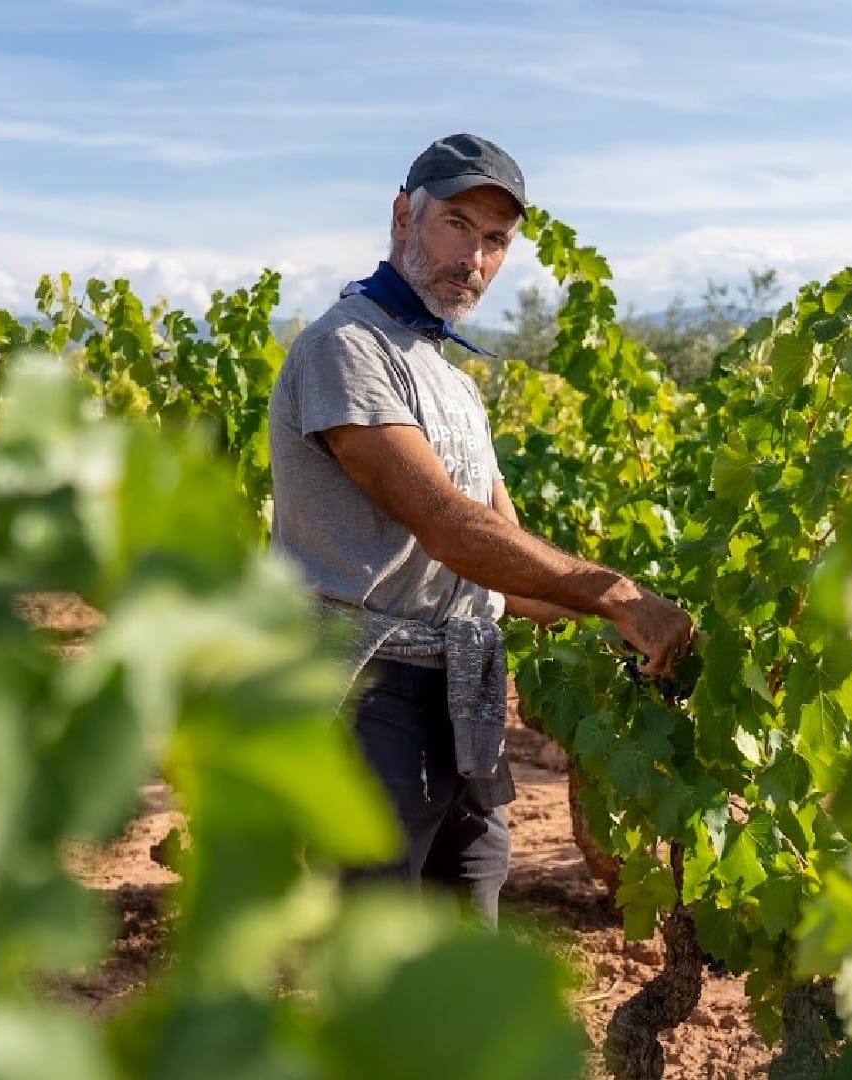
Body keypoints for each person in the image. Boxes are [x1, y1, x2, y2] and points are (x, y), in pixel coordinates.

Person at [267, 133, 694, 927]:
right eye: (457, 224)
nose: (475, 256)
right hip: (367, 694)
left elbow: (507, 558)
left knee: (469, 946)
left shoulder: (454, 382)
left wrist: (638, 627)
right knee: (381, 958)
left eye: (495, 240)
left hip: (461, 698)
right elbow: (445, 526)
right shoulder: (346, 347)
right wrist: (616, 592)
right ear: (403, 216)